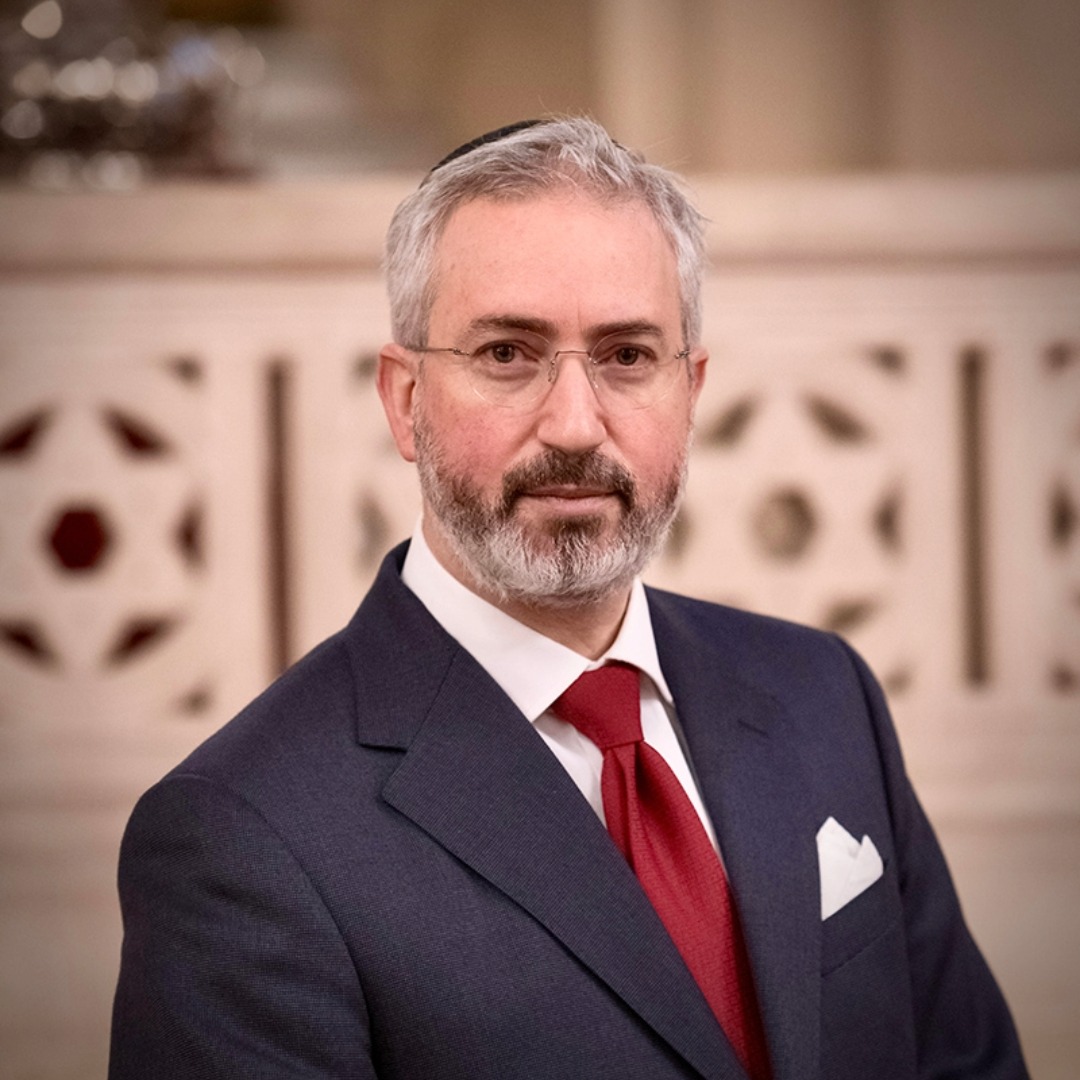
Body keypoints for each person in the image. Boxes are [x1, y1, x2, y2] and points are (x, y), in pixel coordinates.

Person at [109, 117, 1028, 1080]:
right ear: (405, 400)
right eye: (508, 353)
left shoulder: (824, 692)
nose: (577, 425)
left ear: (691, 392)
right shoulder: (240, 835)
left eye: (627, 356)